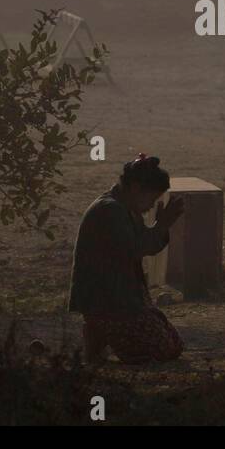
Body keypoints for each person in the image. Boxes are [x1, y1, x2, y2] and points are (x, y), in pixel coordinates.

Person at [68, 154, 186, 363]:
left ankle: (101, 336)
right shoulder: (110, 210)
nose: (152, 205)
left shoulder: (125, 209)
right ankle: (99, 332)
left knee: (173, 345)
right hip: (107, 303)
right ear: (135, 188)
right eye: (151, 197)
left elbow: (146, 245)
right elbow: (135, 249)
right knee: (159, 351)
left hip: (123, 300)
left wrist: (161, 225)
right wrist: (162, 225)